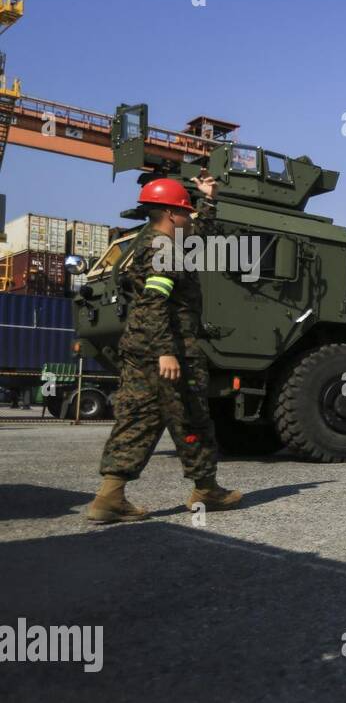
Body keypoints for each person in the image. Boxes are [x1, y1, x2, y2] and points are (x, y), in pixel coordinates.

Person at [86, 171, 242, 523]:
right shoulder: (164, 250)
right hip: (170, 347)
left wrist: (209, 198)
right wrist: (166, 352)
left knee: (139, 419)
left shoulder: (153, 242)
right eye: (186, 211)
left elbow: (201, 237)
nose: (190, 216)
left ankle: (109, 497)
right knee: (193, 417)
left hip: (142, 348)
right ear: (172, 214)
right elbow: (153, 303)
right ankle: (206, 490)